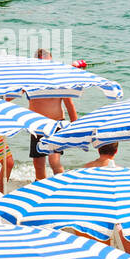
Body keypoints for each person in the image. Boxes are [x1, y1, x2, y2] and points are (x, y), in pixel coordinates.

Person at [28, 47, 77, 180]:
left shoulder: (59, 81)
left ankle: (61, 190)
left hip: (55, 125)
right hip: (37, 126)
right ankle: (41, 192)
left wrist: (76, 128)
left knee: (54, 161)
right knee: (38, 164)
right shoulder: (29, 80)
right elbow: (12, 95)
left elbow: (69, 105)